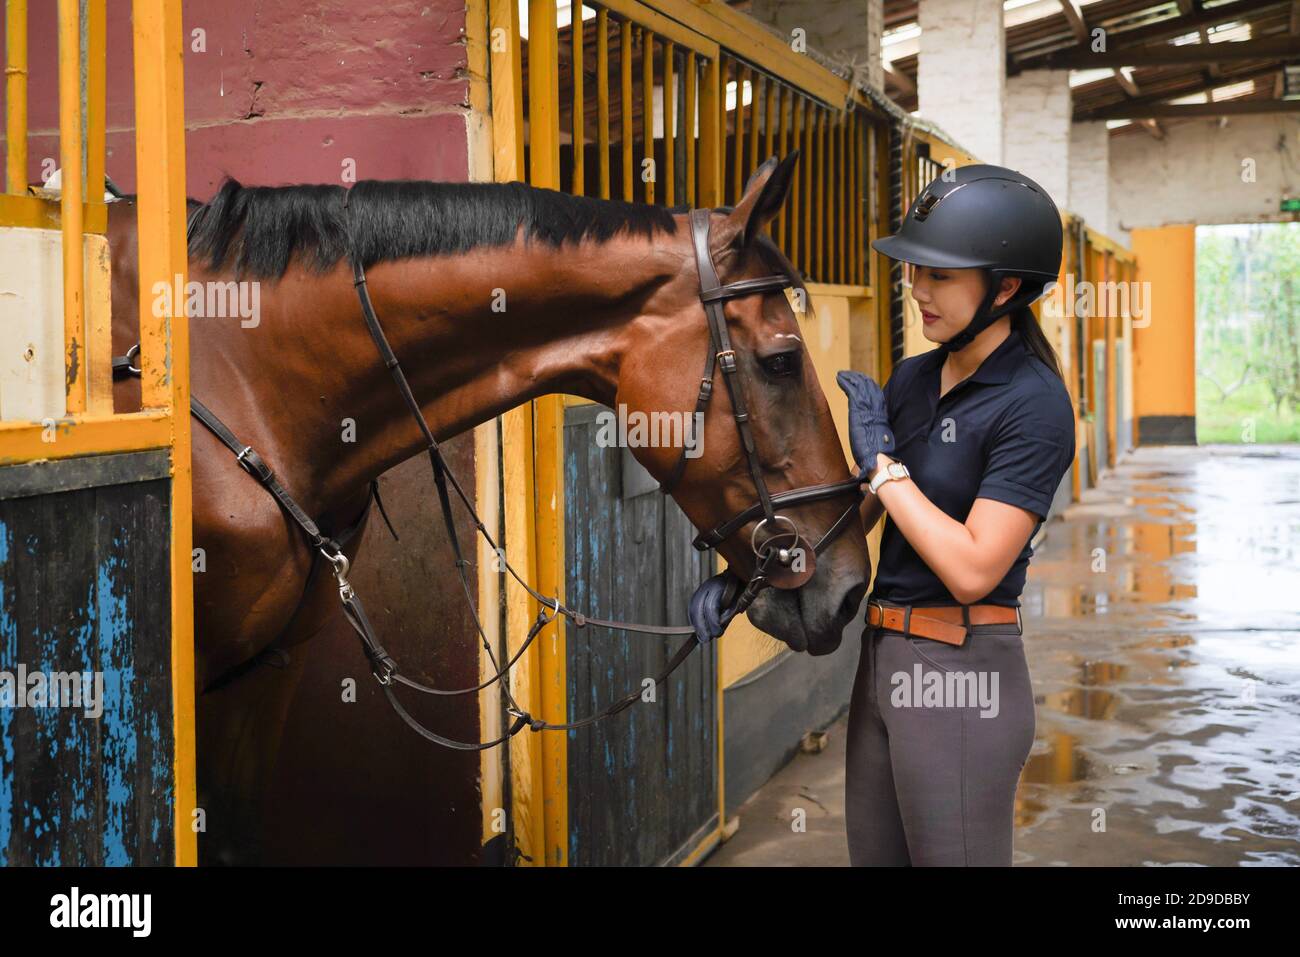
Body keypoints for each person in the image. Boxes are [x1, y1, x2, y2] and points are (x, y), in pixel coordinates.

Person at [690, 164, 1076, 866]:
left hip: (962, 669)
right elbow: (855, 516)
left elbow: (972, 567)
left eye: (939, 276)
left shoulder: (1033, 403)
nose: (916, 289)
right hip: (883, 659)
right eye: (913, 271)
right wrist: (750, 570)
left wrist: (885, 469)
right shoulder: (915, 379)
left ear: (1007, 287)